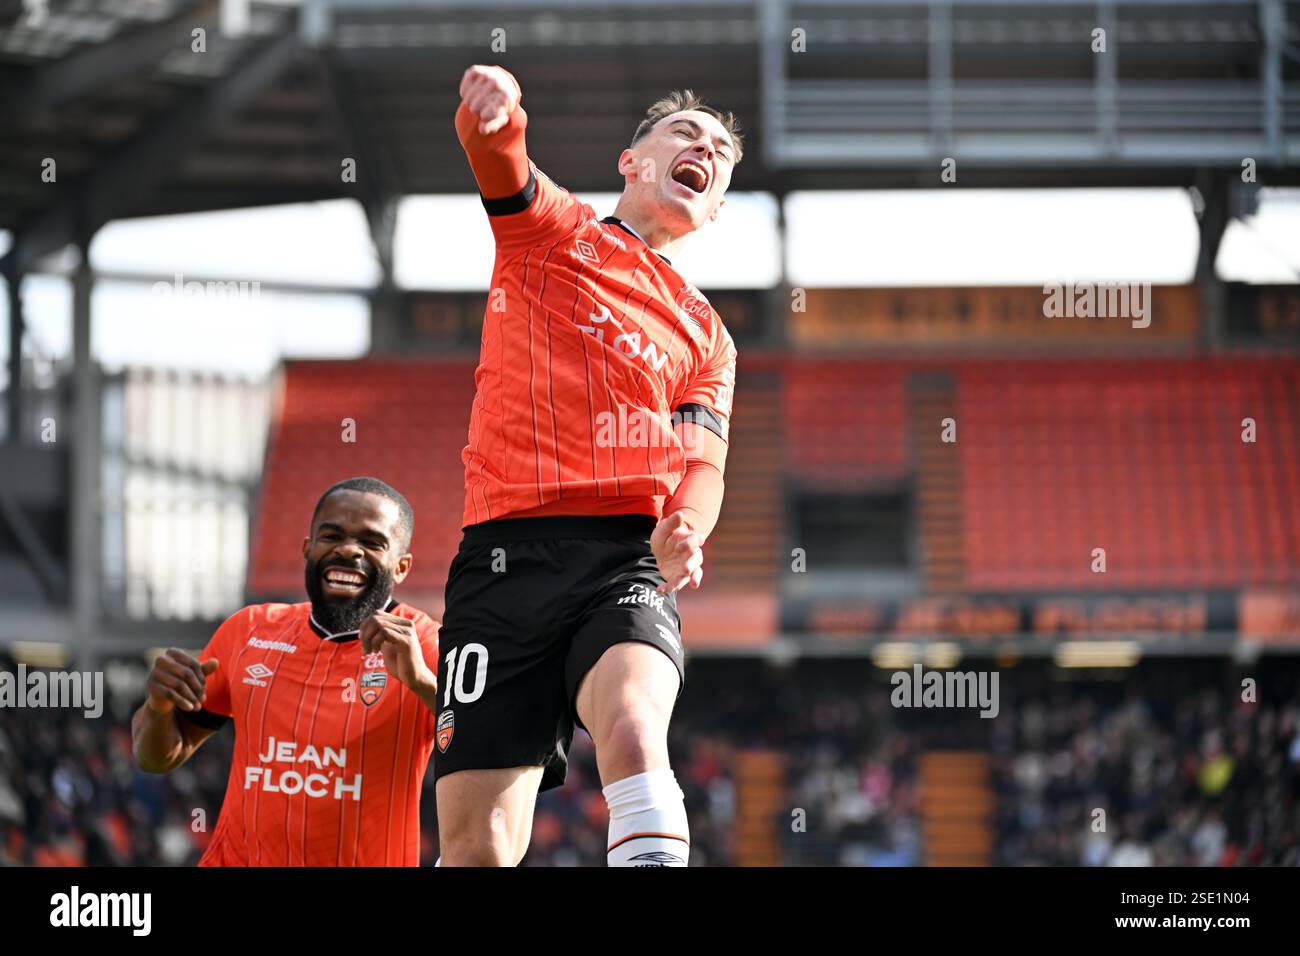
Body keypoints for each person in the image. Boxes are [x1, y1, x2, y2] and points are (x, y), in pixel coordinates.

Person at [435, 64, 742, 866]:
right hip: (499, 565)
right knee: (477, 848)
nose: (702, 148)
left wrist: (687, 528)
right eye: (685, 133)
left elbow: (701, 465)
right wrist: (496, 116)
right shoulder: (553, 233)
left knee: (636, 728)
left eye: (718, 153)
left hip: (621, 560)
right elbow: (500, 161)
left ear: (712, 209)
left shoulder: (707, 335)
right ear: (631, 162)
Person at [131, 476, 440, 866]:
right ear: (308, 549)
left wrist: (424, 683)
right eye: (331, 536)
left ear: (402, 566)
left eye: (371, 542)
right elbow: (157, 758)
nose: (348, 550)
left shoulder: (427, 645)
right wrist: (158, 708)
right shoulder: (247, 631)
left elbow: (496, 746)